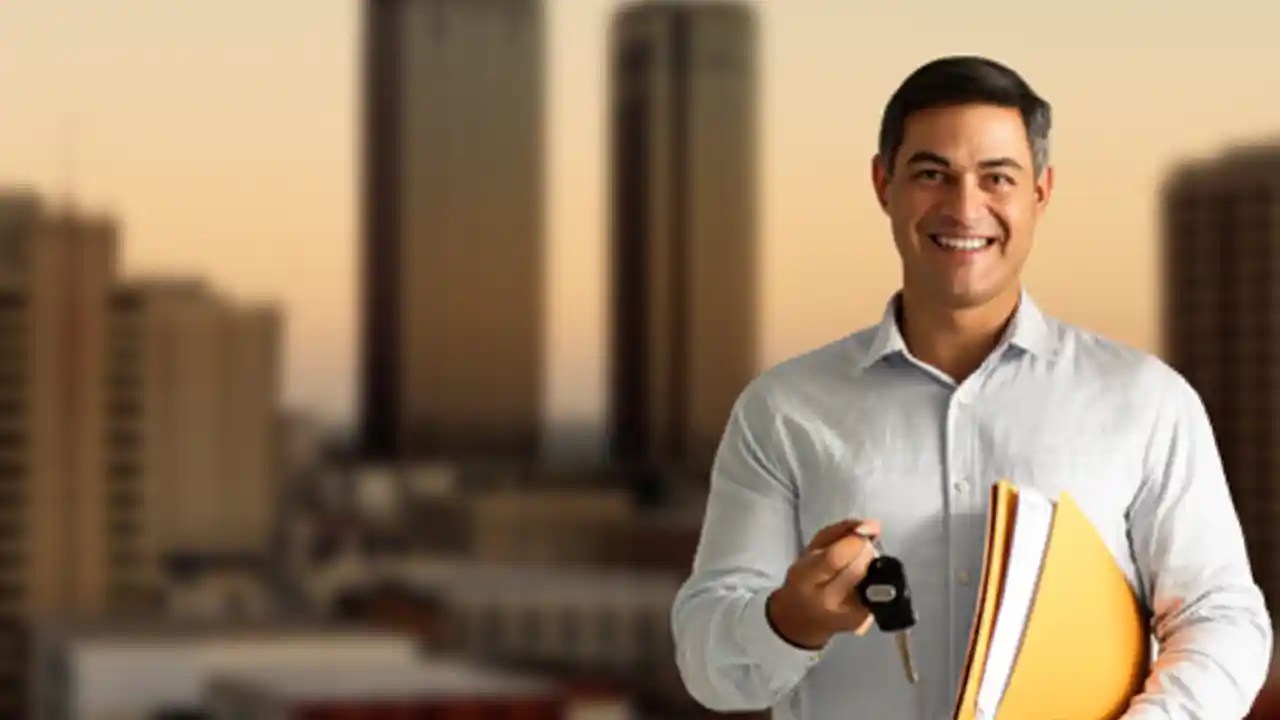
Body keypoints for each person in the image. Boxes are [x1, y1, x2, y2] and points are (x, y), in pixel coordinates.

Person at [670, 55, 1273, 719]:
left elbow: (1223, 621)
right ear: (883, 185)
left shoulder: (1147, 401)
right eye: (932, 174)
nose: (964, 207)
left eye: (997, 178)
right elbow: (709, 667)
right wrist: (790, 619)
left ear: (1040, 192)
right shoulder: (782, 412)